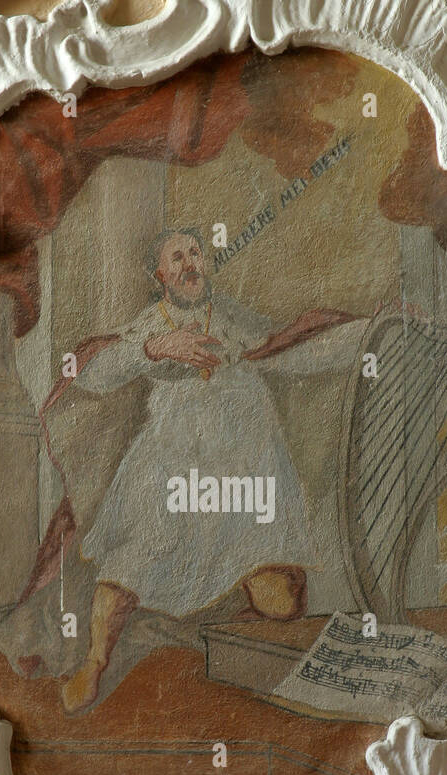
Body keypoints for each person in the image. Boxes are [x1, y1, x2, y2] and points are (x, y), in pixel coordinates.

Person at [59, 226, 352, 712]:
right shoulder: (150, 325)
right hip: (172, 469)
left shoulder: (232, 316)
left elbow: (289, 349)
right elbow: (96, 372)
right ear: (161, 275)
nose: (189, 262)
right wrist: (154, 348)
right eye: (177, 257)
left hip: (242, 471)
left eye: (194, 253)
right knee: (127, 567)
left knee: (284, 603)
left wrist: (364, 338)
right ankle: (93, 663)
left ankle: (231, 623)